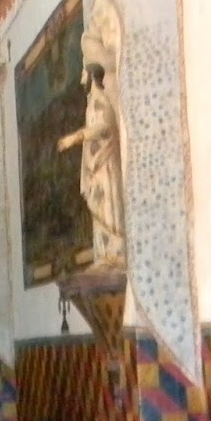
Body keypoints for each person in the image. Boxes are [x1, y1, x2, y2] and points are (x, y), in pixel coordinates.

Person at [57, 62, 125, 268]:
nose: (80, 80)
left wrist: (74, 138)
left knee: (108, 209)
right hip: (95, 167)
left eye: (82, 75)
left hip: (104, 164)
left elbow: (104, 127)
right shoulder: (92, 103)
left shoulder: (100, 101)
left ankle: (116, 255)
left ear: (91, 76)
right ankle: (105, 256)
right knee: (99, 210)